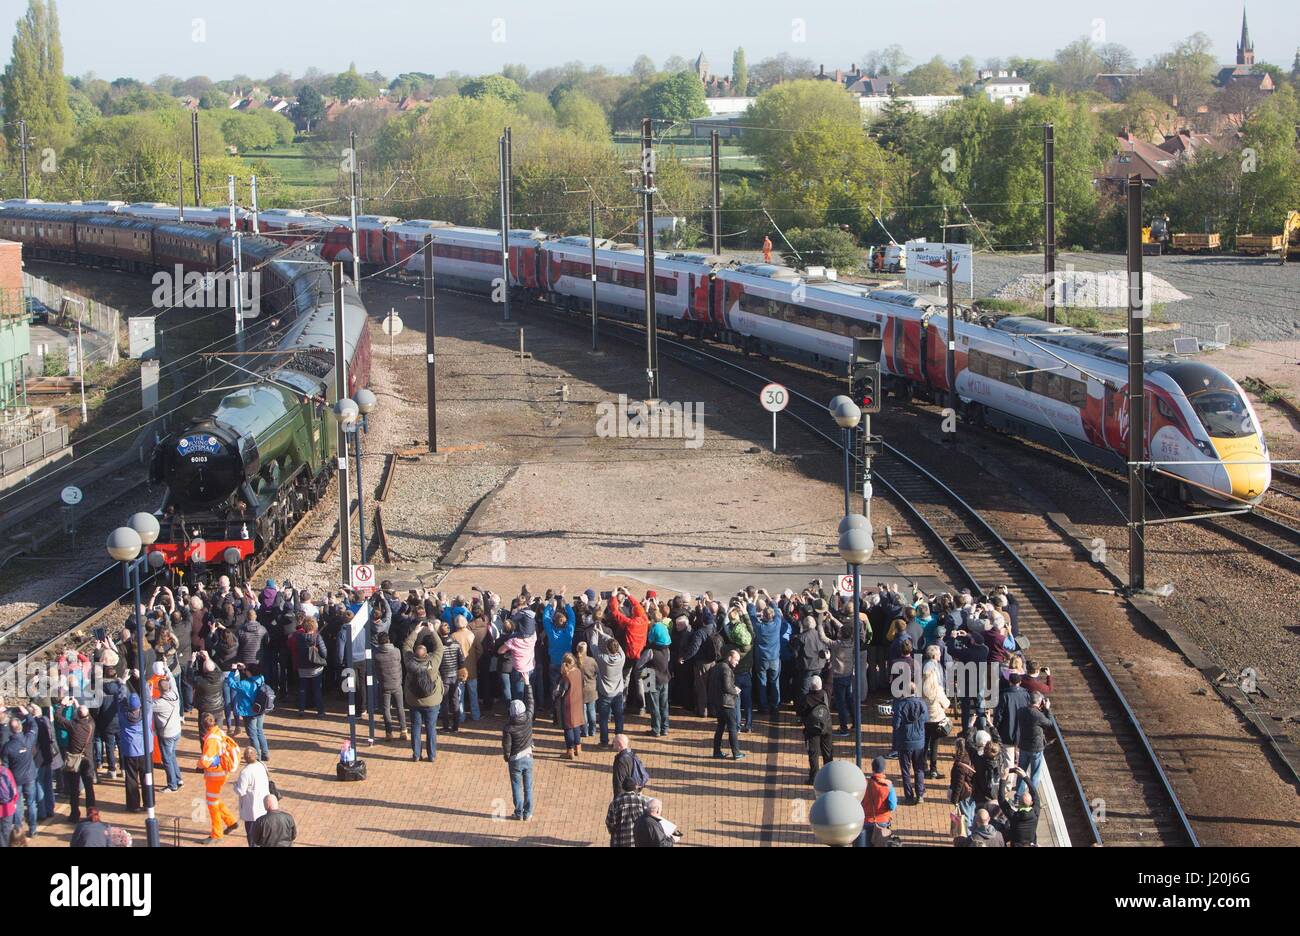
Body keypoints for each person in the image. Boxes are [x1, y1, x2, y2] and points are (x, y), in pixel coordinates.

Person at [196, 713, 239, 844]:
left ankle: (216, 834)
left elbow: (206, 761)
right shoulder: (218, 731)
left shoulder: (211, 739)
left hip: (215, 775)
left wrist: (198, 764)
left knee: (212, 804)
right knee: (215, 799)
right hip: (220, 772)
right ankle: (231, 821)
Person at [53, 701, 96, 822]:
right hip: (87, 760)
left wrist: (62, 705)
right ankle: (91, 813)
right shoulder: (91, 724)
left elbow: (58, 718)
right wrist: (78, 705)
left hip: (74, 761)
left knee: (74, 789)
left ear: (77, 714)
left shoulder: (73, 725)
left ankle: (74, 814)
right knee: (89, 788)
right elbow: (87, 715)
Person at [404, 639, 444, 763]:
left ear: (414, 654)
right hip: (432, 701)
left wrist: (415, 631)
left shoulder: (409, 663)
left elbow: (406, 646)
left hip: (414, 701)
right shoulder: (433, 663)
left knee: (415, 727)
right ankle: (431, 755)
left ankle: (416, 755)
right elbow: (439, 647)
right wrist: (432, 631)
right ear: (427, 654)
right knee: (431, 728)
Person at [2, 710, 38, 839]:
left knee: (16, 805)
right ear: (20, 727)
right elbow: (34, 725)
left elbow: (5, 767)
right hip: (29, 777)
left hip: (16, 779)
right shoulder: (28, 739)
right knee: (31, 803)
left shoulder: (7, 747)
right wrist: (27, 714)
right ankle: (33, 829)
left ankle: (18, 831)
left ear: (11, 730)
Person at [502, 684, 535, 821]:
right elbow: (531, 701)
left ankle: (519, 812)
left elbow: (507, 746)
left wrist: (507, 757)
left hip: (515, 759)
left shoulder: (508, 728)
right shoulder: (528, 718)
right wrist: (527, 684)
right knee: (528, 786)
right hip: (528, 755)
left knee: (516, 786)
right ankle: (528, 812)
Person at [891, 681, 928, 804]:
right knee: (919, 769)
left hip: (905, 742)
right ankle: (920, 794)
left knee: (906, 771)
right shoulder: (922, 704)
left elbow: (896, 725)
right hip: (919, 742)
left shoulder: (900, 705)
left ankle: (909, 796)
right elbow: (925, 719)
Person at [227, 663, 269, 762]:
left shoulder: (244, 684)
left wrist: (232, 672)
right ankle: (265, 753)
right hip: (260, 709)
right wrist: (245, 668)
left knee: (252, 734)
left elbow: (231, 683)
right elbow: (253, 673)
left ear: (249, 673)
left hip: (250, 712)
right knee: (260, 731)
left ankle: (257, 756)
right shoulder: (261, 678)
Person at [796, 676, 834, 785]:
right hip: (826, 727)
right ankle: (830, 776)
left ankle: (814, 778)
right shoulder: (825, 694)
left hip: (812, 730)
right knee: (828, 753)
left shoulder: (806, 698)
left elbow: (800, 712)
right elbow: (830, 680)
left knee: (813, 754)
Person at [708, 648, 744, 760]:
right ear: (729, 658)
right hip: (727, 703)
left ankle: (716, 751)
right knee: (732, 728)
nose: (737, 663)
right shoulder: (726, 669)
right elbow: (727, 687)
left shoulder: (717, 666)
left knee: (720, 727)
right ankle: (736, 752)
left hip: (718, 702)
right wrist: (736, 690)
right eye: (736, 660)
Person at [921, 646, 951, 780]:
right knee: (934, 745)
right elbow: (945, 702)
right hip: (936, 717)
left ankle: (923, 767)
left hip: (924, 717)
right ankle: (933, 770)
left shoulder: (922, 677)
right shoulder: (936, 686)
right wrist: (947, 704)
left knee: (925, 742)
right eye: (938, 654)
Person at [116, 690, 147, 814]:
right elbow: (148, 701)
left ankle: (133, 805)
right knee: (146, 778)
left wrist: (122, 685)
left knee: (131, 779)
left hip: (130, 751)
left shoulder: (123, 715)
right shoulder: (145, 714)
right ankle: (149, 803)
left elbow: (119, 701)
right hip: (143, 750)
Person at [152, 676, 184, 793]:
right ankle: (178, 779)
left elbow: (146, 704)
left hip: (167, 734)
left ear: (159, 689)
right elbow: (173, 681)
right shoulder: (175, 695)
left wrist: (147, 688)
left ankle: (172, 785)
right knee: (172, 756)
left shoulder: (160, 703)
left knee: (167, 760)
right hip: (176, 731)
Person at [858, 756, 898, 847]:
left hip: (866, 821)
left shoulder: (864, 783)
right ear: (884, 769)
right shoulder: (888, 785)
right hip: (882, 822)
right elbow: (892, 806)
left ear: (873, 769)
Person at [373, 631, 406, 741]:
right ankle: (403, 730)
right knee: (400, 708)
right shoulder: (396, 651)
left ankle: (389, 732)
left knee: (386, 709)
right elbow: (400, 663)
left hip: (384, 684)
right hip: (397, 683)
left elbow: (376, 669)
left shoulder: (377, 655)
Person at [235, 746, 271, 846]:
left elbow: (241, 791)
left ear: (245, 758)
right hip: (264, 805)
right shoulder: (262, 765)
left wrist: (235, 786)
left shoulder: (245, 772)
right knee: (263, 835)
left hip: (252, 809)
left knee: (252, 837)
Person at [1016, 691, 1050, 795]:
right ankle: (1033, 795)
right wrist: (1047, 709)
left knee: (1021, 771)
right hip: (1036, 748)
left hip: (1023, 747)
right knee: (1035, 774)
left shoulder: (1021, 711)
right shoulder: (1038, 715)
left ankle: (1018, 795)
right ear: (1040, 702)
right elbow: (1049, 723)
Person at [595, 637, 626, 747]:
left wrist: (597, 633)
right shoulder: (622, 657)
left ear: (607, 649)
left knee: (603, 719)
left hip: (605, 693)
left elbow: (593, 646)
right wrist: (607, 636)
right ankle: (619, 741)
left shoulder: (602, 659)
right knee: (619, 717)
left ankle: (604, 742)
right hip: (618, 693)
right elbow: (620, 647)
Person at [293, 619, 327, 717]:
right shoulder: (317, 637)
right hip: (316, 667)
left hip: (302, 666)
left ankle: (301, 709)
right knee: (317, 689)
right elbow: (324, 654)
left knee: (302, 689)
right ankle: (320, 711)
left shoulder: (298, 637)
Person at [998, 768, 1040, 846]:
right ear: (1031, 802)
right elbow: (1035, 795)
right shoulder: (1035, 813)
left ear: (1019, 803)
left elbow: (1001, 800)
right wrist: (1025, 777)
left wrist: (1003, 779)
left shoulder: (1014, 816)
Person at [556, 653, 585, 760]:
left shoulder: (565, 677)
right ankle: (578, 748)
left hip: (568, 704)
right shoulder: (578, 671)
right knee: (576, 725)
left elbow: (561, 692)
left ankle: (570, 751)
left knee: (568, 727)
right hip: (577, 702)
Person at [605, 776, 649, 848]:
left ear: (623, 788)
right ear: (635, 787)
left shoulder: (615, 803)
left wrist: (613, 832)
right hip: (638, 840)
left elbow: (609, 822)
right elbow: (648, 820)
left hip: (620, 841)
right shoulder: (643, 801)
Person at [575, 641, 599, 739]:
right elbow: (597, 672)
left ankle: (584, 731)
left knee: (583, 712)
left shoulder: (575, 661)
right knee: (592, 711)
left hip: (580, 690)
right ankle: (592, 730)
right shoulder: (592, 661)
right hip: (591, 689)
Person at [0, 761, 16, 849]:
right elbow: (14, 791)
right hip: (8, 808)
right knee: (6, 833)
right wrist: (13, 802)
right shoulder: (6, 772)